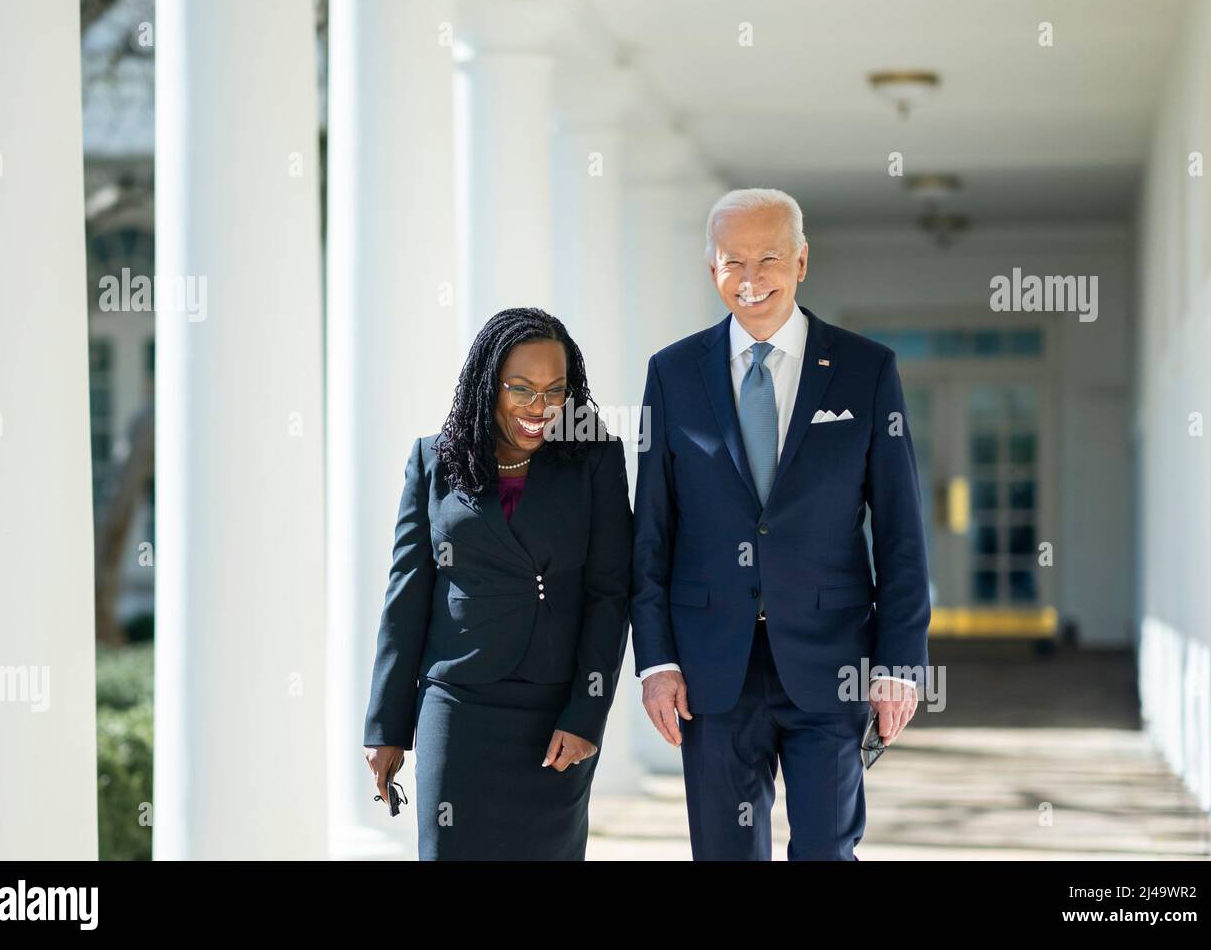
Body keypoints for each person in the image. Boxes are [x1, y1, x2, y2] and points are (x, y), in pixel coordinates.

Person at [632, 188, 929, 860]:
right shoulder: (673, 374)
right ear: (712, 271)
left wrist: (900, 664)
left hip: (832, 661)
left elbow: (901, 532)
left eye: (768, 257)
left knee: (827, 850)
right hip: (709, 669)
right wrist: (655, 660)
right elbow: (651, 532)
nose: (750, 277)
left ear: (801, 262)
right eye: (732, 261)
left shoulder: (865, 370)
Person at [363, 306, 633, 860]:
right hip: (457, 704)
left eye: (555, 390)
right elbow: (406, 596)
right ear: (489, 384)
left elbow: (610, 594)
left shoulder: (595, 461)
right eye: (522, 389)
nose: (540, 408)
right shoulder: (434, 460)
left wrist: (587, 714)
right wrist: (386, 725)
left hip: (554, 713)